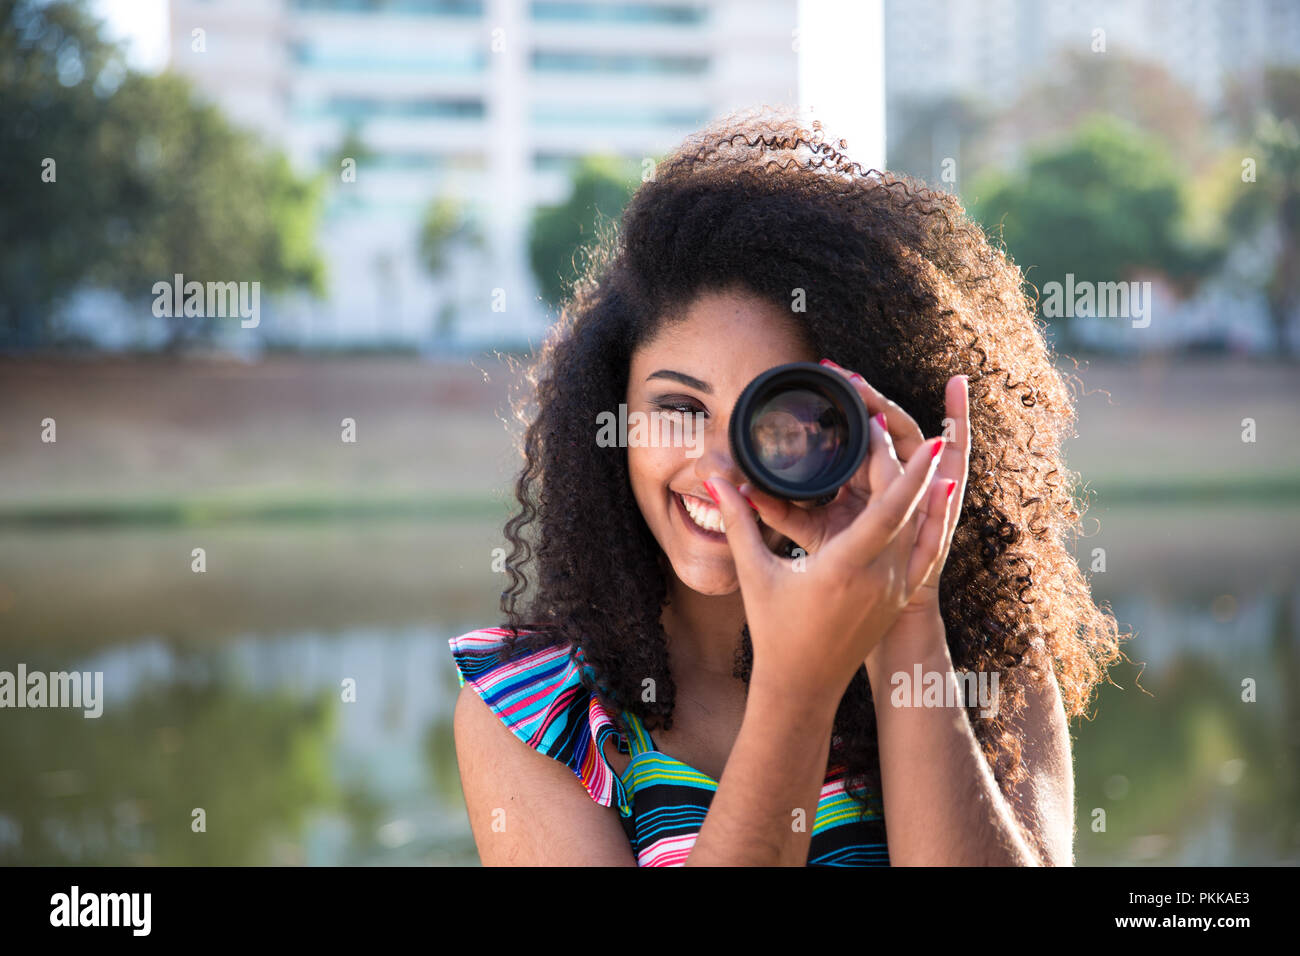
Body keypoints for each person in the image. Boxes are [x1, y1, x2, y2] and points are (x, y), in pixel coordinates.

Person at [448, 107, 1123, 866]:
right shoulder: (530, 712)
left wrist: (904, 618)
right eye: (679, 408)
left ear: (863, 427)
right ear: (615, 419)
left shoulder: (981, 658)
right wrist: (796, 690)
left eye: (782, 420)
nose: (721, 469)